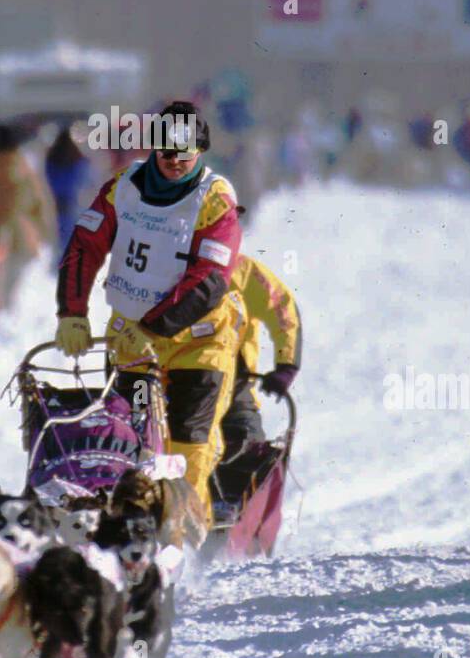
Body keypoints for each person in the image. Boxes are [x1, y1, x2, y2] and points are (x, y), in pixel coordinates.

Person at [55, 100, 243, 521]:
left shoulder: (214, 202)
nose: (175, 161)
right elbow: (85, 247)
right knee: (128, 441)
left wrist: (156, 327)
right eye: (166, 151)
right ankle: (128, 529)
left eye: (185, 152)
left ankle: (184, 535)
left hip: (197, 342)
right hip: (130, 340)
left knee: (185, 447)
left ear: (200, 151)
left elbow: (210, 279)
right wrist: (72, 312)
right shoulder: (123, 187)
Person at [213, 253, 302, 511]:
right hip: (161, 387)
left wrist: (286, 364)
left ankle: (236, 514)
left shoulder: (243, 271)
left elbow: (282, 308)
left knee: (245, 444)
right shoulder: (159, 261)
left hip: (233, 388)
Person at [0, 124, 56, 313]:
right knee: (13, 278)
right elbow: (40, 204)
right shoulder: (26, 172)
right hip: (22, 235)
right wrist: (45, 232)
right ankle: (8, 311)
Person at [44, 124, 92, 259]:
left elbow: (47, 179)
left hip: (55, 203)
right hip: (72, 203)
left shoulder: (50, 159)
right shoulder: (79, 159)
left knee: (57, 236)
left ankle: (59, 261)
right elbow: (85, 182)